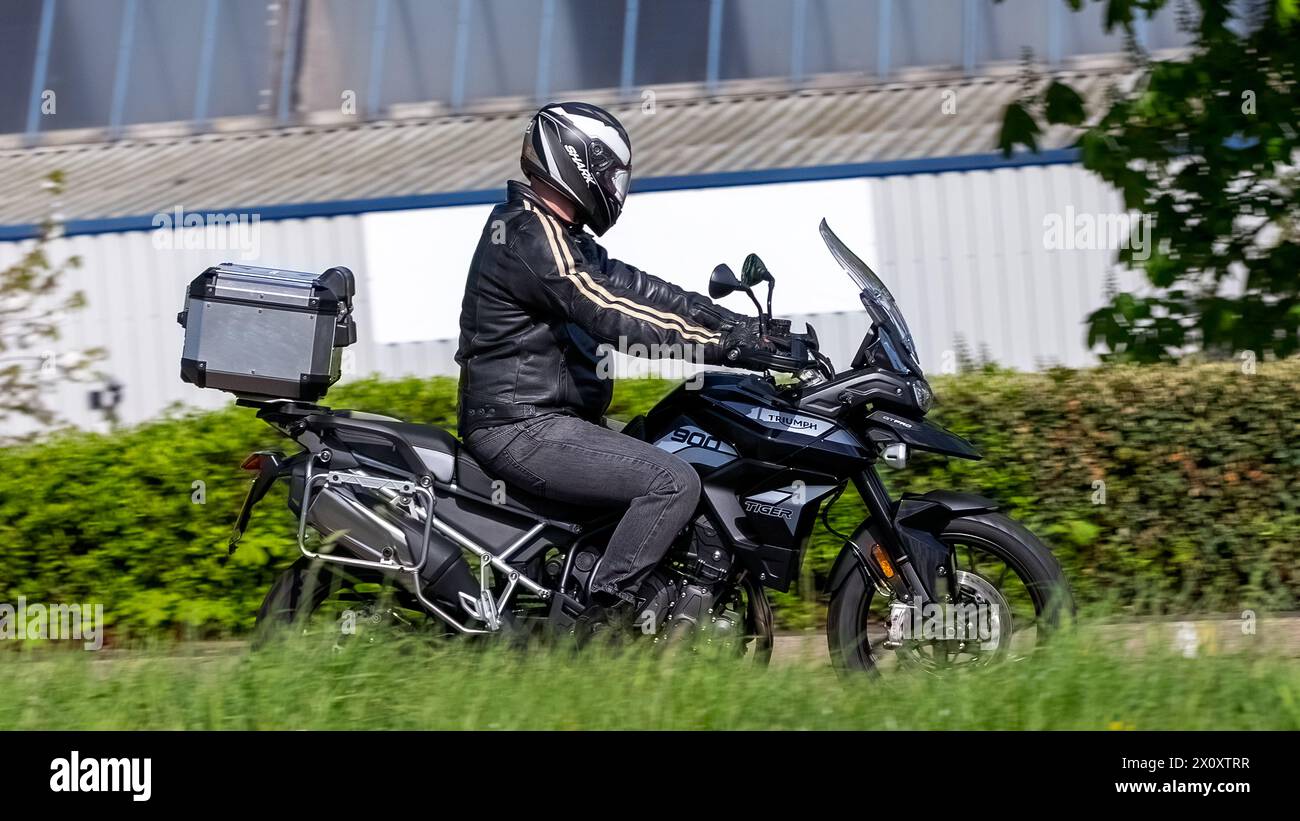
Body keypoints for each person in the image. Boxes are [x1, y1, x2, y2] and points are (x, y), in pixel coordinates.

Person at [454, 102, 762, 623]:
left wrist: (739, 326)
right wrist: (721, 347)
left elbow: (640, 291)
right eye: (611, 175)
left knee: (676, 442)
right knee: (672, 482)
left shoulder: (557, 235)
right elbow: (609, 312)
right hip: (521, 427)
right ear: (578, 162)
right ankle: (602, 618)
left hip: (549, 422)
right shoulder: (530, 235)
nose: (616, 189)